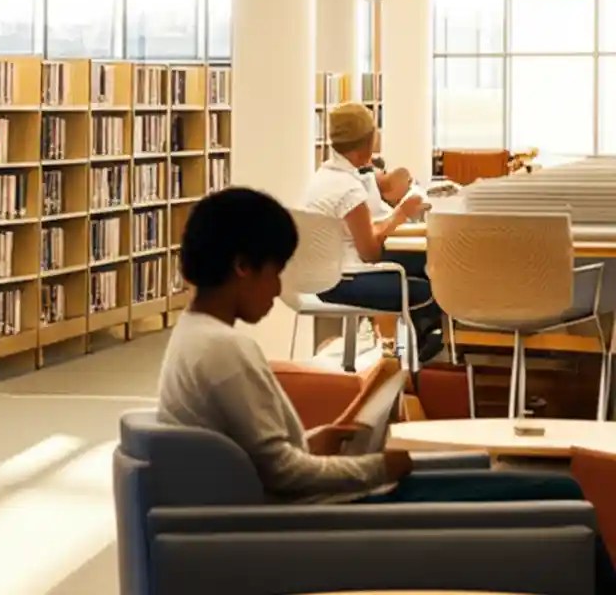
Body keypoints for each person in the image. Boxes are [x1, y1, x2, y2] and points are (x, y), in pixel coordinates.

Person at [156, 187, 616, 588]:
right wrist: (381, 467)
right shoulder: (226, 354)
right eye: (274, 271)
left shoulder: (193, 338)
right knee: (560, 495)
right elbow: (286, 477)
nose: (278, 288)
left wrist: (312, 443)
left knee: (544, 490)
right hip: (323, 517)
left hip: (303, 508)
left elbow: (254, 460)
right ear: (242, 267)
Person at [304, 102, 445, 363]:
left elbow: (364, 235)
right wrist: (401, 213)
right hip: (344, 280)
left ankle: (413, 354)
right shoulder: (349, 189)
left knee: (429, 264)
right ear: (368, 142)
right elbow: (370, 253)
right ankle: (415, 359)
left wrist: (389, 220)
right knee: (436, 290)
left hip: (326, 274)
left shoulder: (324, 176)